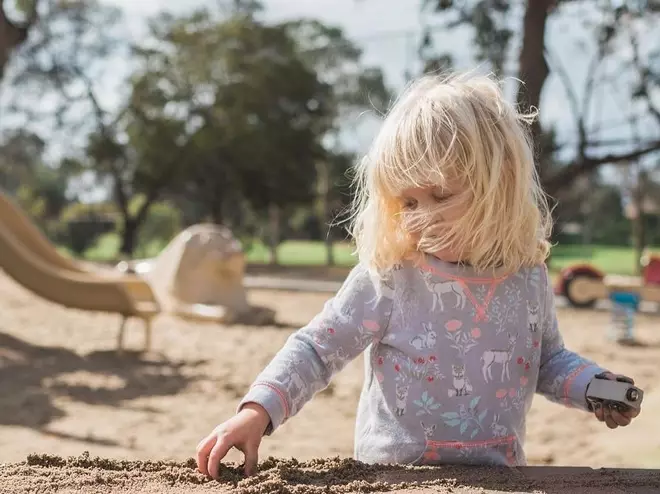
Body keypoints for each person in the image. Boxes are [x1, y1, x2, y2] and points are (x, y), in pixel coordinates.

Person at [196, 72, 641, 479]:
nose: (421, 217)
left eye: (440, 194)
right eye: (408, 203)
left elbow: (545, 361)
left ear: (499, 183)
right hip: (394, 477)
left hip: (499, 477)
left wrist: (593, 387)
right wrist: (258, 410)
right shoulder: (392, 278)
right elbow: (318, 348)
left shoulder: (527, 278)